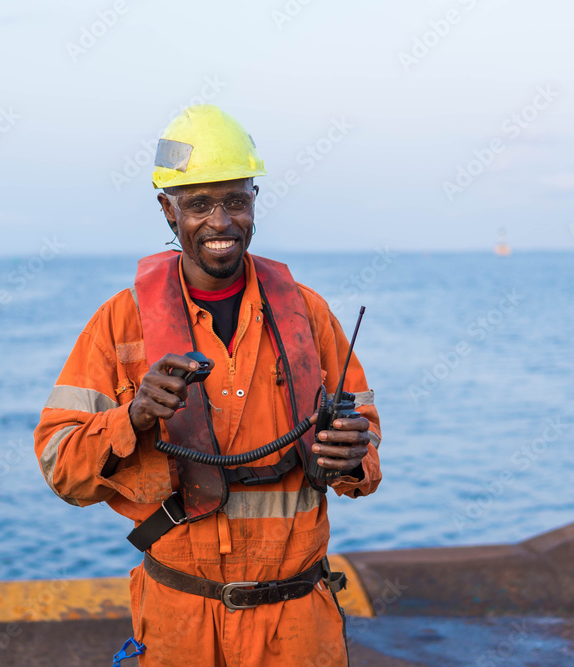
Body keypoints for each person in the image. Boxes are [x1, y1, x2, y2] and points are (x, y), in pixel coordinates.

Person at [33, 105, 382, 666]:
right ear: (167, 211)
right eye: (197, 204)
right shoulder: (119, 325)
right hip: (180, 623)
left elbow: (366, 450)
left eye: (236, 201)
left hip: (297, 625)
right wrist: (135, 417)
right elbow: (60, 467)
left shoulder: (308, 316)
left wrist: (350, 454)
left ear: (253, 203)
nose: (220, 221)